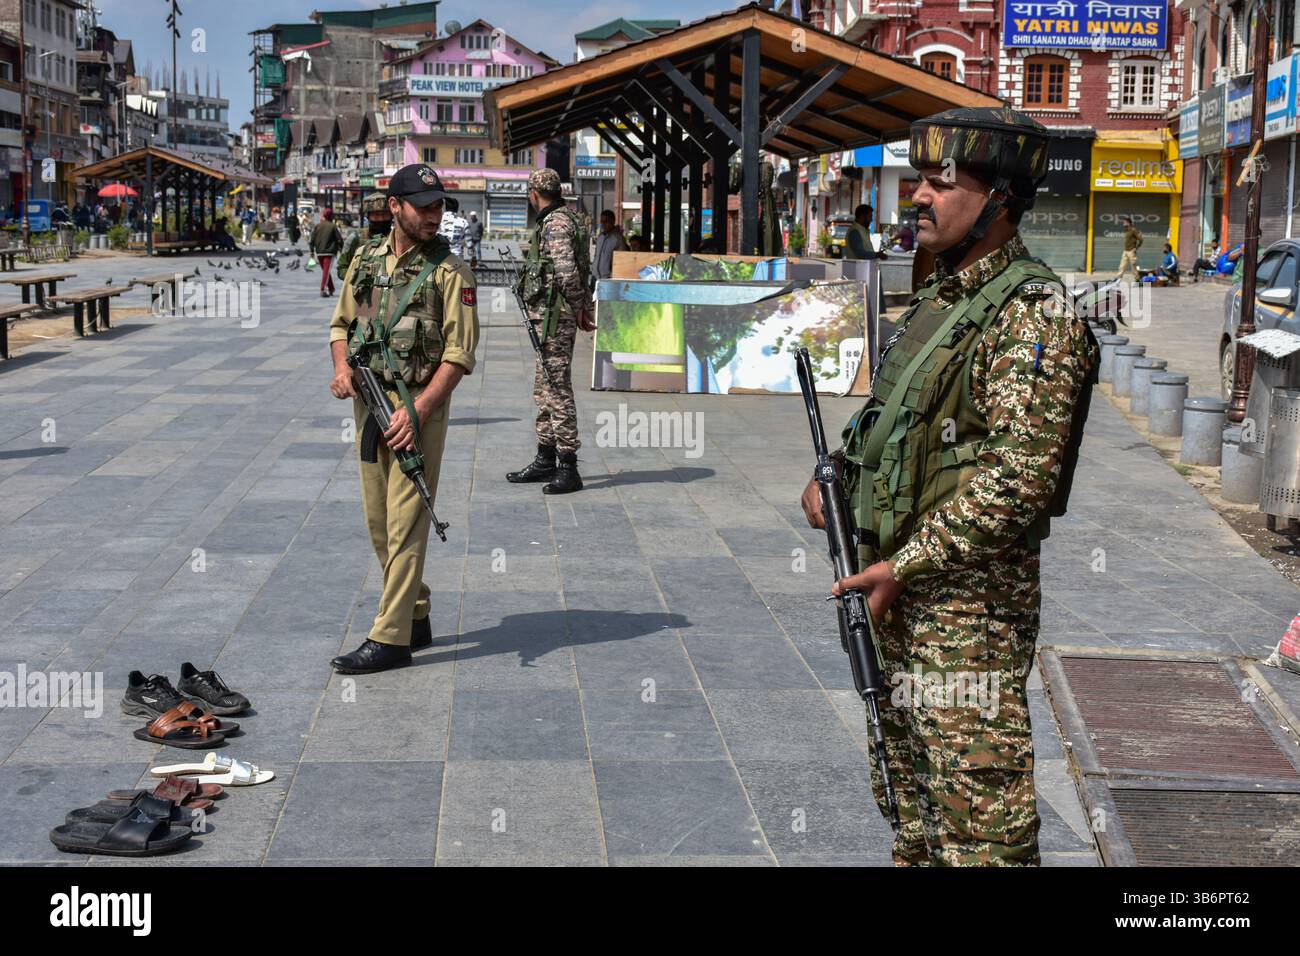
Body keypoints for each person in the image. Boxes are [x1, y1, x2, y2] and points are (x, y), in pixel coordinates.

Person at [801, 105, 1098, 866]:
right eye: (919, 181)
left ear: (999, 197)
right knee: (913, 814)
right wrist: (834, 475)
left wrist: (902, 565)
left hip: (965, 617)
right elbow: (897, 421)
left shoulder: (1032, 314)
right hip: (900, 602)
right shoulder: (947, 297)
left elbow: (1018, 481)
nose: (919, 197)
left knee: (980, 831)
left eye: (941, 182)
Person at [327, 164, 480, 675]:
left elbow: (459, 355)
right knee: (378, 523)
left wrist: (418, 412)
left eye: (439, 206)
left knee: (407, 522)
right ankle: (414, 613)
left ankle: (390, 638)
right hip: (371, 405)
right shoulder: (367, 259)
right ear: (395, 207)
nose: (435, 215)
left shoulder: (450, 271)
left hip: (419, 408)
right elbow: (344, 324)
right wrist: (342, 367)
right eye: (424, 206)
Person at [506, 167, 594, 495]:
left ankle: (568, 465)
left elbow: (568, 272)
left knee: (557, 389)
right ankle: (545, 458)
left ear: (534, 194)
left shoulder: (555, 223)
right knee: (544, 387)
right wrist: (583, 306)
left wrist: (574, 307)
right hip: (551, 319)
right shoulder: (565, 218)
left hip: (554, 319)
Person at [336, 192, 392, 278]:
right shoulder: (356, 238)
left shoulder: (397, 239)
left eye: (385, 215)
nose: (381, 219)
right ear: (368, 216)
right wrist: (360, 277)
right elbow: (342, 269)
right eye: (376, 215)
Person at [309, 207, 344, 298]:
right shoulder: (332, 226)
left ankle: (331, 288)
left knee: (325, 271)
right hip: (329, 252)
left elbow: (312, 240)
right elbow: (339, 239)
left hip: (319, 252)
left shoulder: (318, 226)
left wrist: (312, 251)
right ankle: (323, 289)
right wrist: (341, 249)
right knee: (326, 271)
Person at [594, 209, 628, 280]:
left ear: (612, 222)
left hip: (609, 278)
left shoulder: (618, 239)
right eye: (601, 221)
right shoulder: (600, 237)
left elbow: (621, 260)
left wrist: (612, 274)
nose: (603, 224)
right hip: (596, 277)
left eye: (606, 221)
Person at [1117, 215, 1142, 281]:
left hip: (1131, 251)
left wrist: (1135, 248)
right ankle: (1118, 280)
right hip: (1125, 251)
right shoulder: (1127, 230)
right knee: (1122, 266)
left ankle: (1137, 280)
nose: (1123, 224)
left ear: (1128, 223)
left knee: (1133, 267)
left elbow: (1140, 240)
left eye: (1124, 222)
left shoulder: (1133, 230)